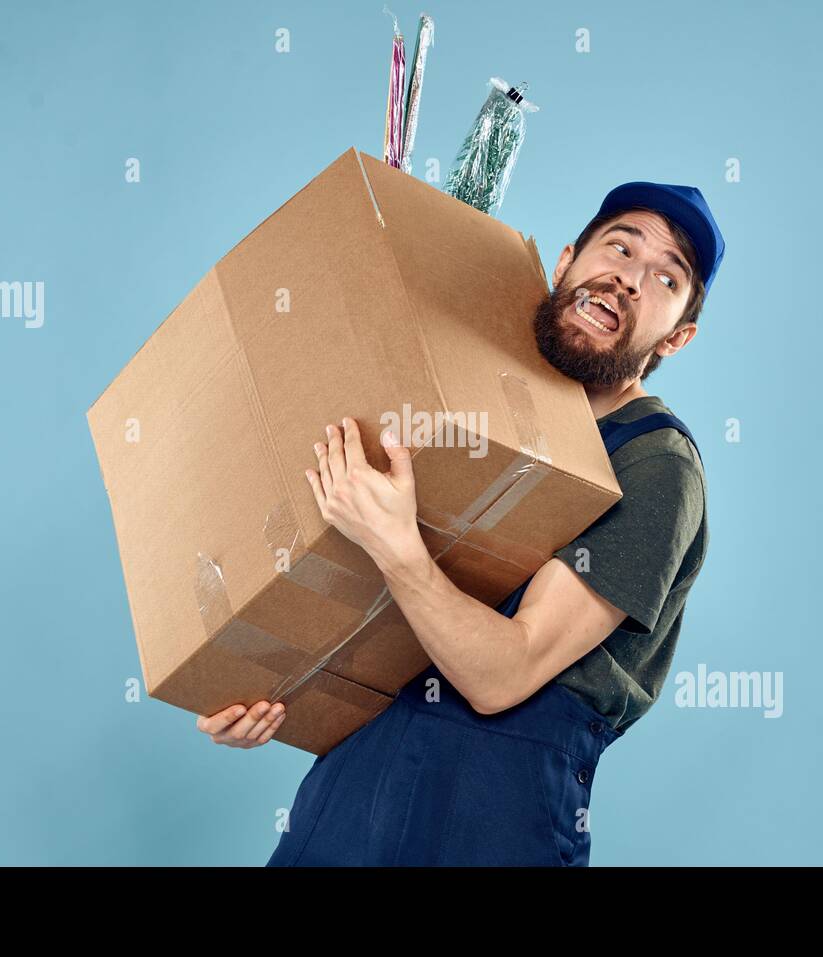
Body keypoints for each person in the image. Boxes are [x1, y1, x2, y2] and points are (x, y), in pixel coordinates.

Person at [198, 181, 725, 866]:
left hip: (491, 824)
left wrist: (395, 543)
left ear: (678, 337)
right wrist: (281, 696)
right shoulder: (470, 407)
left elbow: (502, 673)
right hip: (345, 807)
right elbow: (379, 623)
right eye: (619, 247)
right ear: (565, 263)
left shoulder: (658, 465)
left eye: (665, 278)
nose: (629, 277)